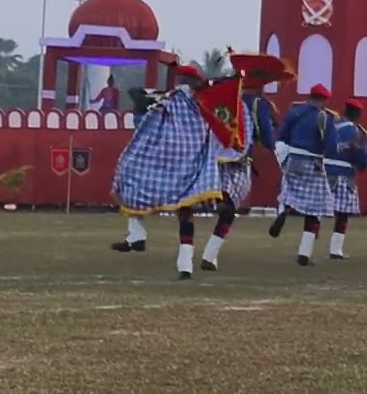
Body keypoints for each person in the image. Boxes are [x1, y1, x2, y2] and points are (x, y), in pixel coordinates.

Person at [110, 67, 241, 279]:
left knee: (132, 177)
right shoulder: (186, 97)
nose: (184, 81)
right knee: (179, 208)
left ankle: (178, 260)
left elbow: (148, 107)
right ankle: (176, 259)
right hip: (189, 160)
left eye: (186, 78)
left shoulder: (195, 98)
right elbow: (145, 101)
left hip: (185, 159)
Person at [199, 51, 290, 272]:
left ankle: (213, 205)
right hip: (239, 160)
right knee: (230, 210)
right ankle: (210, 253)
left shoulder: (225, 97)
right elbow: (267, 137)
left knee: (221, 203)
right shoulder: (260, 105)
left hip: (214, 157)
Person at [111, 63, 205, 257]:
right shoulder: (200, 101)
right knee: (185, 209)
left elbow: (141, 101)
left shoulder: (173, 99)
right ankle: (181, 260)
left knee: (130, 178)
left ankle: (137, 236)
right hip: (192, 158)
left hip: (167, 157)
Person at [270, 84, 340, 266]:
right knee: (316, 208)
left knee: (288, 191)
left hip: (292, 158)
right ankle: (304, 253)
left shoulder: (295, 112)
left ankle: (284, 208)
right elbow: (331, 146)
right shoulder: (325, 117)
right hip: (313, 162)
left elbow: (282, 135)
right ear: (324, 100)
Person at [327, 98, 367, 260]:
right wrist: (363, 164)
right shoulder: (357, 132)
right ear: (358, 114)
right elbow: (361, 157)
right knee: (343, 213)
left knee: (316, 209)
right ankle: (335, 249)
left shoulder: (330, 126)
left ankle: (309, 239)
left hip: (324, 171)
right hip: (344, 174)